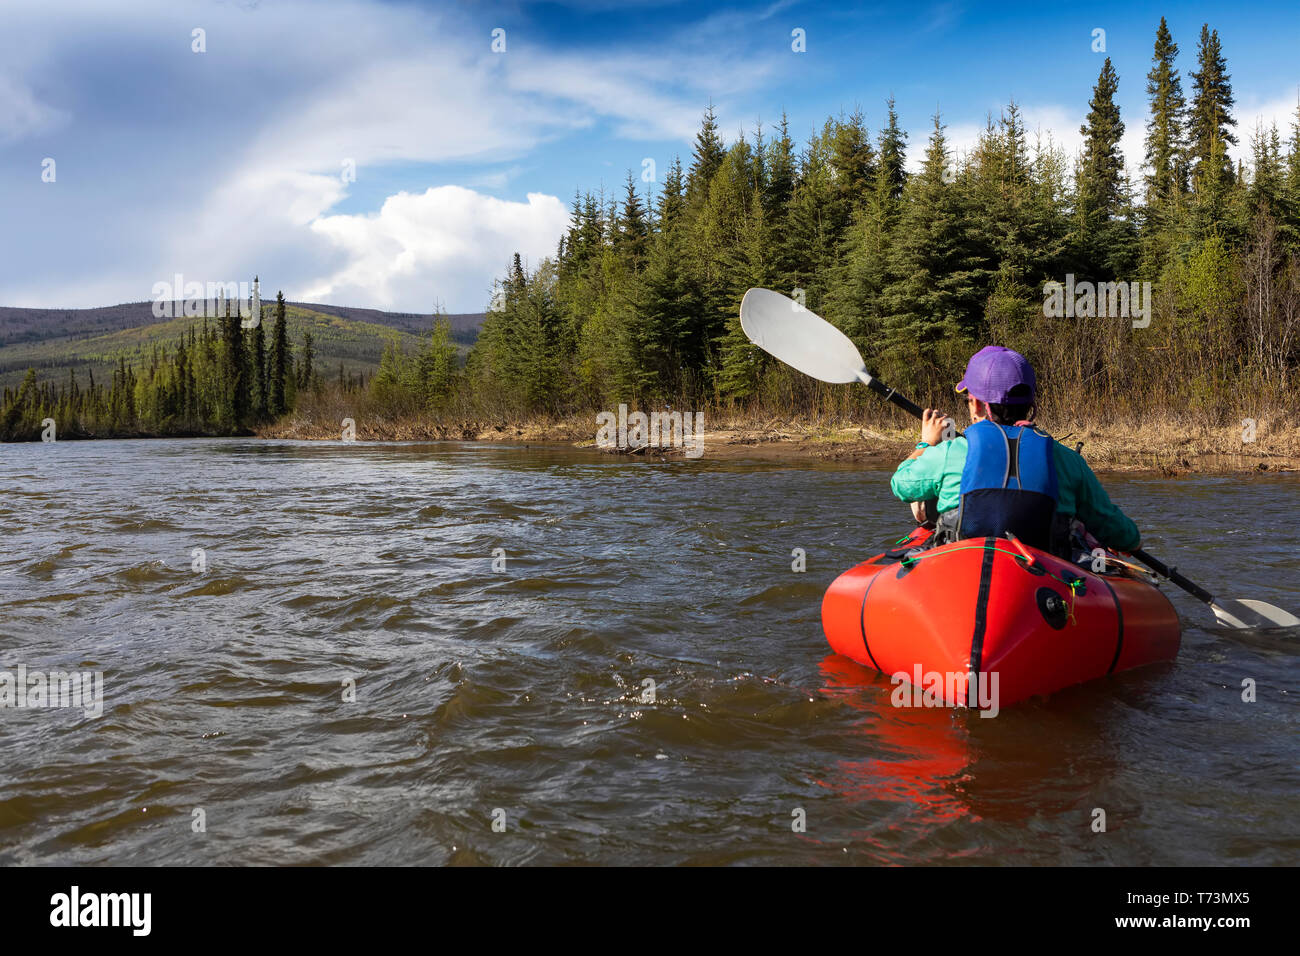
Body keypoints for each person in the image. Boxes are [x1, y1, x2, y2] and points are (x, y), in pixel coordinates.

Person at [890, 345, 1139, 557]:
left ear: (976, 403)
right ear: (1030, 403)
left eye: (968, 400)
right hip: (1042, 579)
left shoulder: (950, 451)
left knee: (924, 511)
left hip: (964, 566)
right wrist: (1133, 542)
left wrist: (925, 444)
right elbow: (1118, 531)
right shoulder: (1067, 460)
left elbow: (901, 485)